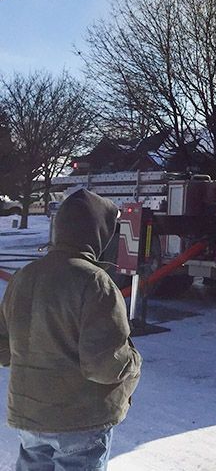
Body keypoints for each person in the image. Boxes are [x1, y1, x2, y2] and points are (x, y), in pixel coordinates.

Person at [0, 188, 141, 471]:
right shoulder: (95, 282)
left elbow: (3, 350)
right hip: (80, 419)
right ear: (97, 232)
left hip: (29, 415)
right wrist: (134, 362)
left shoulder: (23, 277)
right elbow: (104, 364)